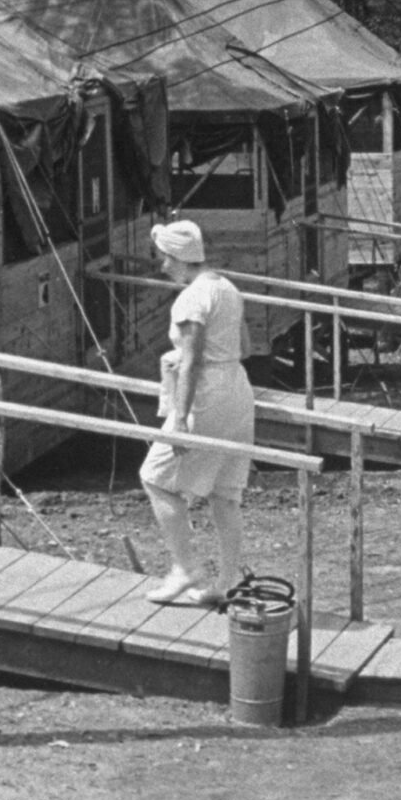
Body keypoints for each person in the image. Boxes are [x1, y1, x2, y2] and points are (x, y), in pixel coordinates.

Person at [141, 219, 255, 606]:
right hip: (238, 389)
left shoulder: (190, 299)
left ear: (177, 257)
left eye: (164, 259)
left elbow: (190, 363)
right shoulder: (228, 288)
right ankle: (225, 581)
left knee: (155, 478)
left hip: (207, 394)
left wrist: (180, 418)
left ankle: (185, 567)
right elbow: (246, 346)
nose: (162, 267)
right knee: (225, 493)